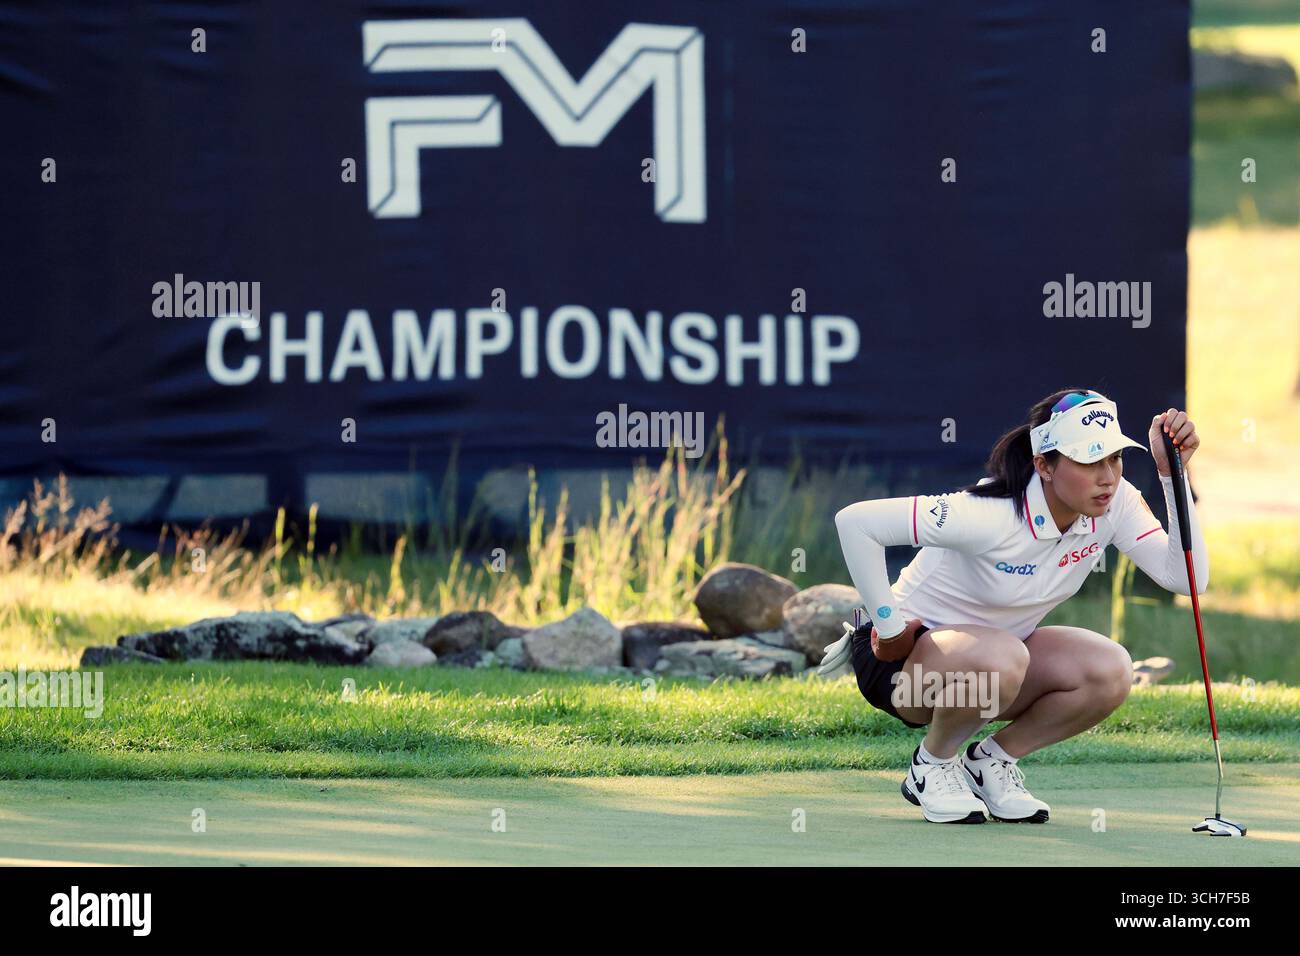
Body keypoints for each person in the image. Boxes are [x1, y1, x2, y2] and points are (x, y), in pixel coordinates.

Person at [822, 388, 1208, 824]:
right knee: (1003, 656)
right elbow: (855, 523)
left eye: (1115, 458)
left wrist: (1171, 475)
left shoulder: (1114, 503)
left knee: (1111, 669)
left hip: (1000, 663)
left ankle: (989, 761)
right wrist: (889, 628)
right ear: (1044, 465)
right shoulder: (990, 512)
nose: (1108, 476)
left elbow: (1187, 579)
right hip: (899, 666)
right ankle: (932, 765)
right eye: (1088, 461)